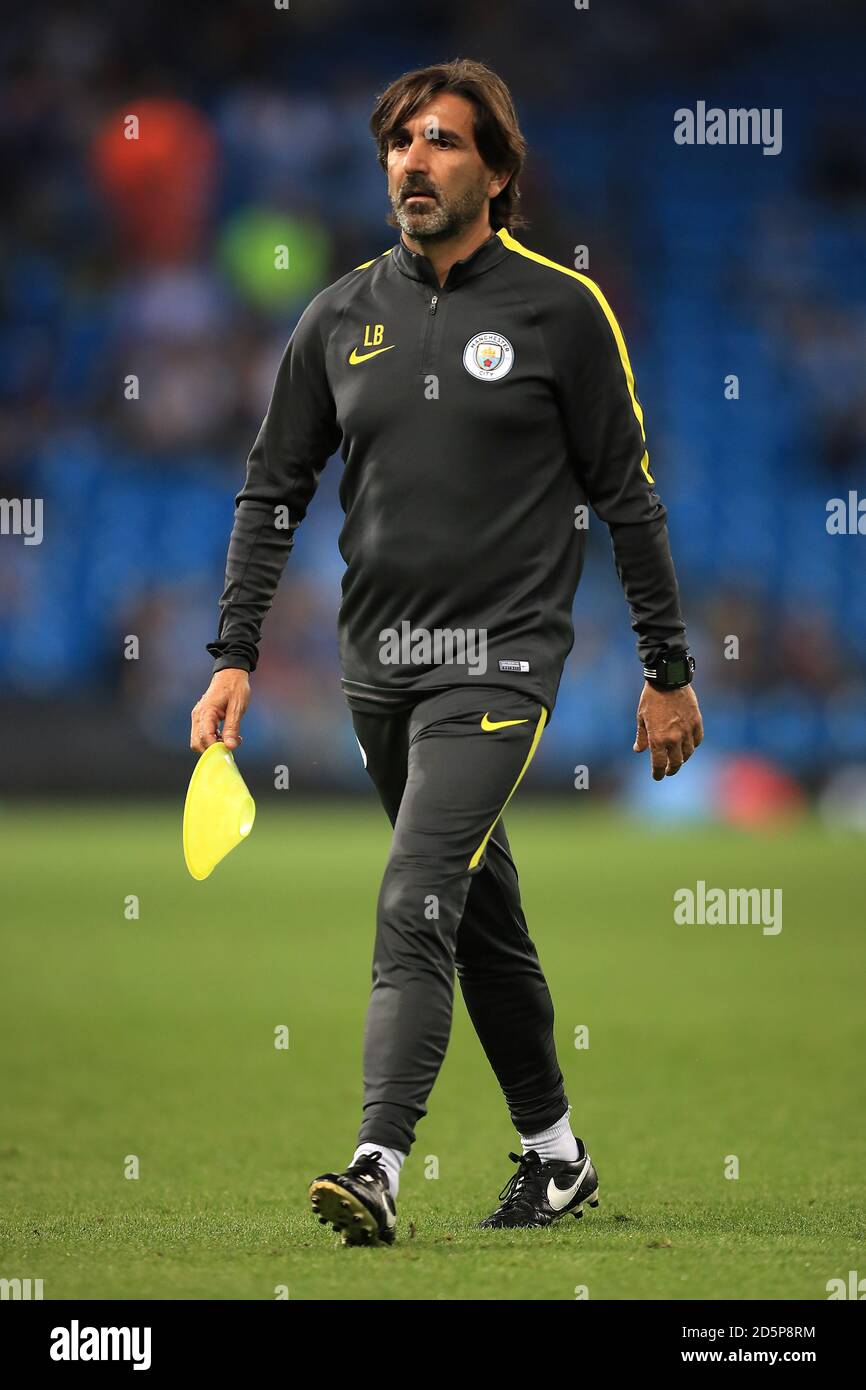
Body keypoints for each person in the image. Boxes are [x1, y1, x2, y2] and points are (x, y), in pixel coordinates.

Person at [190, 58, 704, 1246]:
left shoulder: (562, 314)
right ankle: (557, 1161)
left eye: (441, 142)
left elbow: (626, 499)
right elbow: (270, 492)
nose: (412, 162)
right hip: (378, 671)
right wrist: (233, 653)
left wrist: (667, 668)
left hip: (498, 662)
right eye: (397, 145)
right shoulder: (335, 318)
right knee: (479, 916)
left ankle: (376, 1162)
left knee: (415, 894)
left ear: (500, 172)